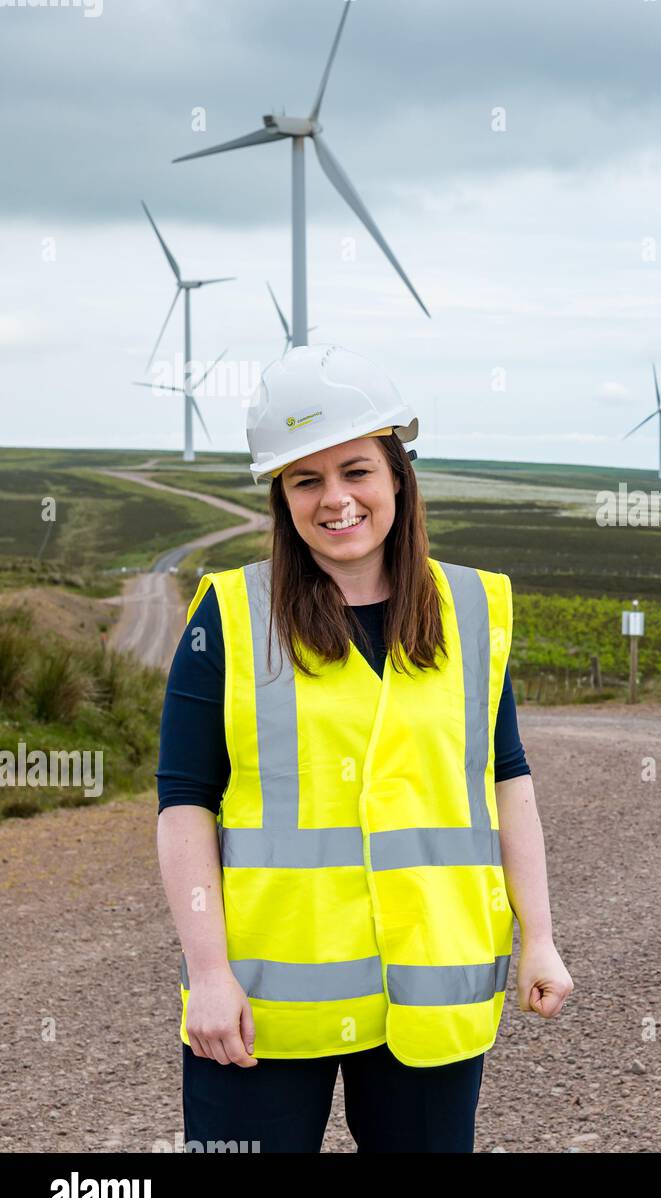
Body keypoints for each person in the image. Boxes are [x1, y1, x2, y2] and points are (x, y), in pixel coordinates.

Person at [155, 344, 573, 1152]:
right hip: (266, 998)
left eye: (357, 471)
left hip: (432, 989)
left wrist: (541, 936)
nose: (335, 500)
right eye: (305, 480)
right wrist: (208, 975)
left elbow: (506, 781)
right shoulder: (231, 617)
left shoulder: (470, 611)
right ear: (281, 497)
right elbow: (184, 806)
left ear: (398, 477)